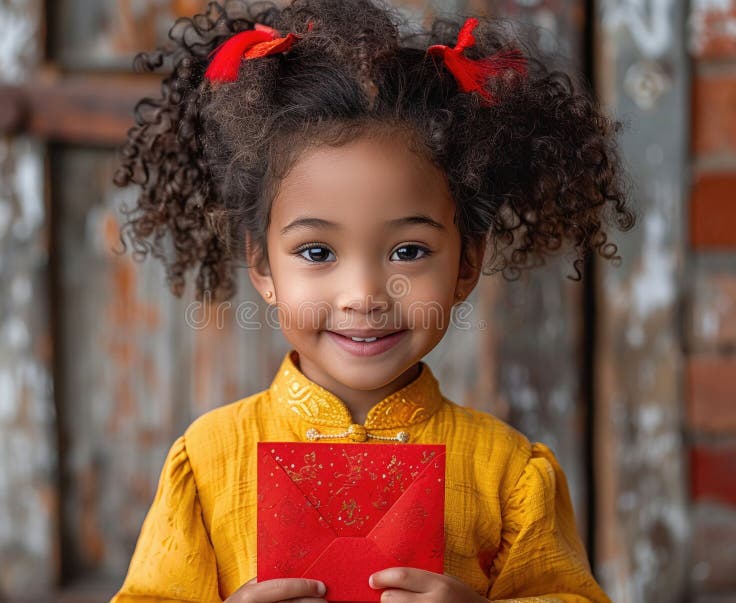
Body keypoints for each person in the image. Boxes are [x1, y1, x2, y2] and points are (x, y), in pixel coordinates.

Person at [109, 0, 636, 601]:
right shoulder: (207, 461)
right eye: (316, 253)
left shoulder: (508, 474)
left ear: (467, 261)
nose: (363, 296)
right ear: (261, 264)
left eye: (408, 251)